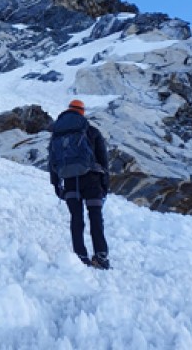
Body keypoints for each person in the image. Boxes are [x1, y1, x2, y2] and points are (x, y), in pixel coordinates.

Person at [49, 99, 111, 269]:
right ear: (82, 112)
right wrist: (105, 184)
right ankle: (101, 257)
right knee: (95, 217)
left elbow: (52, 160)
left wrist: (56, 184)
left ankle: (80, 256)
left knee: (76, 218)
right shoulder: (91, 131)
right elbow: (103, 160)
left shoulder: (58, 133)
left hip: (70, 181)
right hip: (92, 180)